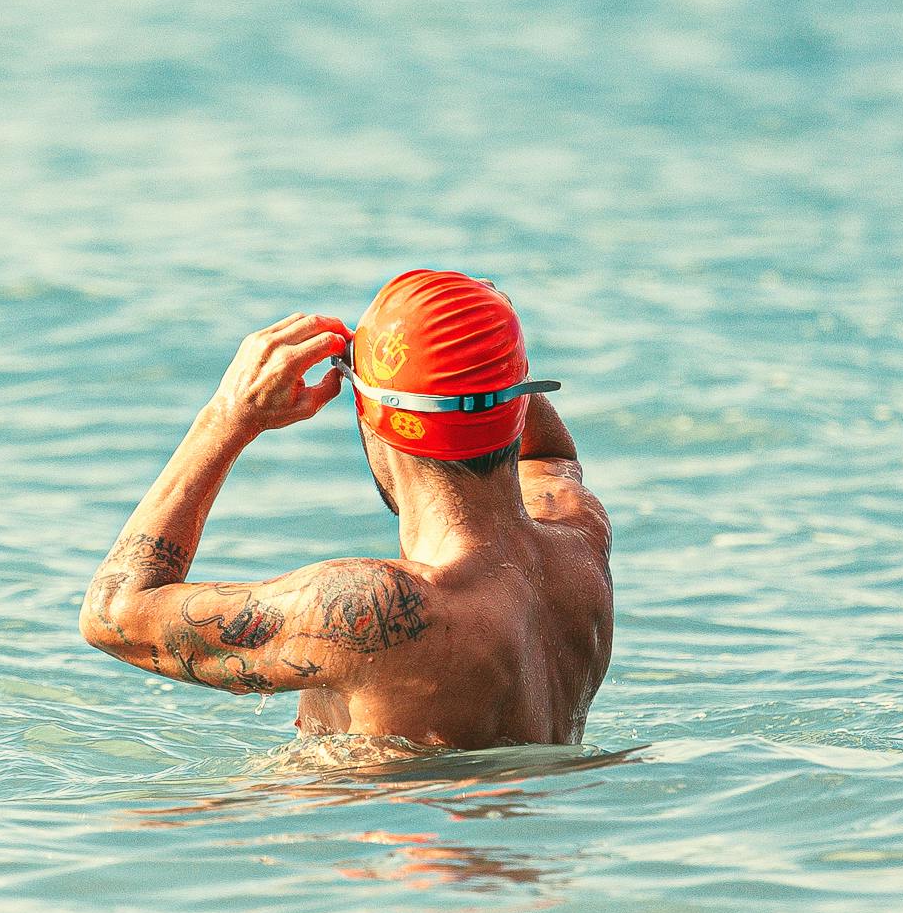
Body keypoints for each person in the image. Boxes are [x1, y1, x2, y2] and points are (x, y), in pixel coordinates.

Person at [78, 268, 611, 750]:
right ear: (518, 398)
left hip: (400, 850)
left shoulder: (372, 610)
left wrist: (227, 418)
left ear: (371, 412)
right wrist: (486, 342)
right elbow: (549, 453)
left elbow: (112, 613)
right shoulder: (577, 544)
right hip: (523, 844)